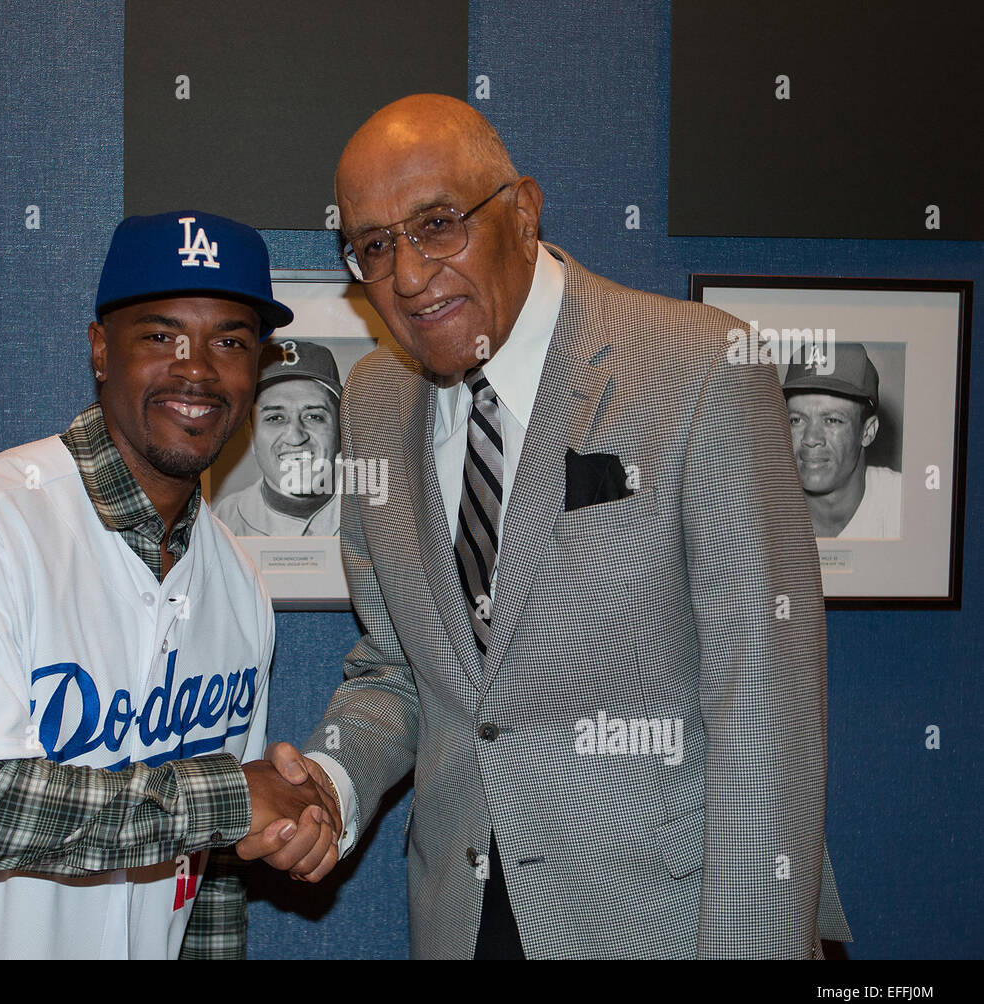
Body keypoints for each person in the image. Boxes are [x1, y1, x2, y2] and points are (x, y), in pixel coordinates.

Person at [242, 95, 840, 958]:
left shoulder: (704, 367)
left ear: (523, 213)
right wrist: (331, 784)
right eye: (374, 246)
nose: (408, 275)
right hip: (459, 920)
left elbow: (765, 710)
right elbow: (402, 669)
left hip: (666, 926)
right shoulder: (373, 401)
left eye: (438, 224)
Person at [0, 210, 338, 960]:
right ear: (101, 350)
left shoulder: (238, 580)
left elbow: (213, 869)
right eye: (160, 336)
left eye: (229, 340)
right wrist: (231, 798)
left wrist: (262, 816)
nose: (197, 369)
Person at [214, 339, 343, 536]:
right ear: (252, 434)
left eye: (314, 416)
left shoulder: (377, 515)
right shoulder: (223, 521)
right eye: (275, 418)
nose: (295, 437)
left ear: (341, 430)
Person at [784, 342, 901, 539]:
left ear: (868, 432)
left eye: (832, 420)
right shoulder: (758, 511)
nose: (811, 439)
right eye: (796, 420)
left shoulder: (903, 504)